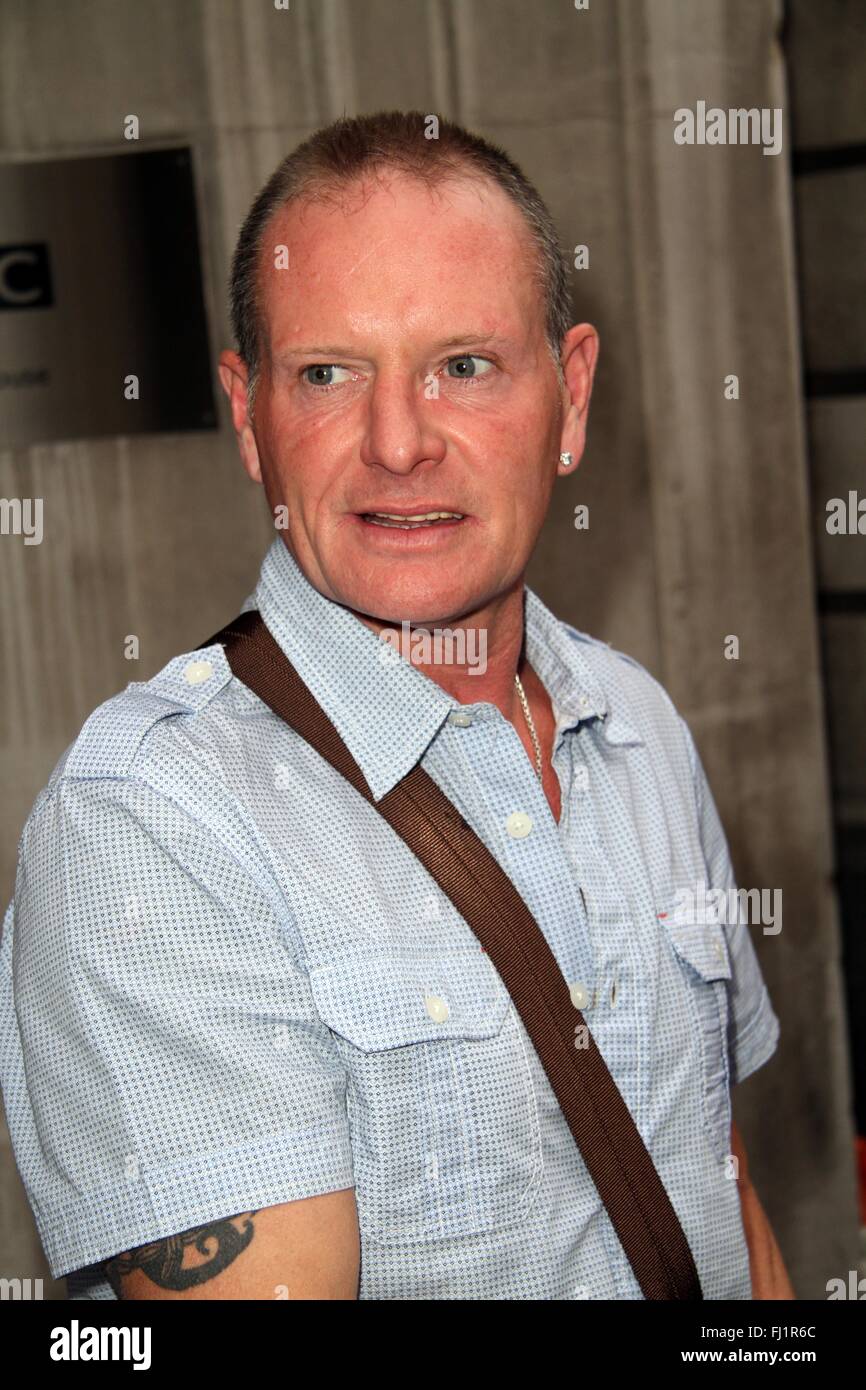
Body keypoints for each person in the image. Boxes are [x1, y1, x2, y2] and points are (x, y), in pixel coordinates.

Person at [0, 110, 793, 1301]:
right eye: (327, 374)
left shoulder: (638, 728)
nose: (397, 442)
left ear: (570, 399)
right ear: (249, 414)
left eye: (462, 366)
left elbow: (715, 1190)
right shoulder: (152, 824)